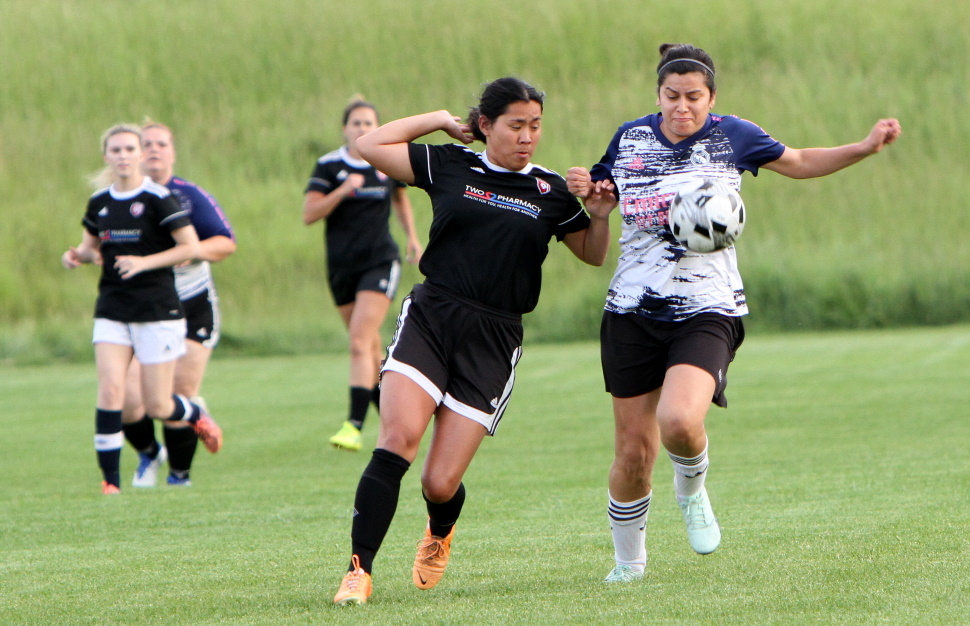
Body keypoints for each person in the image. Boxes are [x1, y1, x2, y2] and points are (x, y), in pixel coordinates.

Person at [567, 43, 902, 583]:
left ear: (712, 98)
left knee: (679, 421)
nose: (682, 107)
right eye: (671, 97)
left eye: (693, 98)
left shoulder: (733, 136)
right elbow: (603, 193)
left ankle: (692, 488)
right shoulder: (630, 137)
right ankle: (628, 565)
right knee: (632, 452)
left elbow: (799, 161)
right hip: (631, 308)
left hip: (709, 308)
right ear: (658, 95)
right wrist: (590, 191)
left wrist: (863, 147)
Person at [331, 77, 617, 606]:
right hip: (432, 319)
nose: (527, 136)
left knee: (439, 483)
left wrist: (599, 217)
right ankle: (358, 571)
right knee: (397, 440)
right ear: (484, 126)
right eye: (515, 125)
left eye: (534, 126)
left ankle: (439, 530)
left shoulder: (550, 190)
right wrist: (438, 119)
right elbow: (369, 147)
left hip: (493, 337)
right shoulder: (450, 164)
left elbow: (594, 255)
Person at [62, 124, 223, 495]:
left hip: (158, 309)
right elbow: (91, 248)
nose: (122, 156)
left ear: (138, 155)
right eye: (115, 150)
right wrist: (76, 256)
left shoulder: (157, 198)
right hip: (113, 308)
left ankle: (194, 414)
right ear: (106, 156)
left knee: (159, 404)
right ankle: (111, 483)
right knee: (111, 393)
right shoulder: (99, 202)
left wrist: (144, 263)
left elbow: (189, 247)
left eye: (129, 149)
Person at [121, 120, 237, 488]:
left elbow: (225, 242)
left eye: (161, 144)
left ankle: (179, 479)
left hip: (192, 306)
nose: (153, 149)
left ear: (172, 151)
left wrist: (192, 251)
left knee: (177, 393)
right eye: (147, 144)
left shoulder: (188, 196)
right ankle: (149, 454)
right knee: (127, 399)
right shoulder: (121, 199)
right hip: (146, 309)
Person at [303, 97, 423, 452]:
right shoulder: (328, 166)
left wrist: (413, 237)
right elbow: (309, 213)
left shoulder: (385, 162)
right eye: (355, 123)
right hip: (341, 268)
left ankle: (353, 426)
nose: (362, 129)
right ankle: (396, 425)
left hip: (380, 261)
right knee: (369, 350)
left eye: (369, 123)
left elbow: (400, 198)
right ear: (344, 129)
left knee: (359, 340)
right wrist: (341, 190)